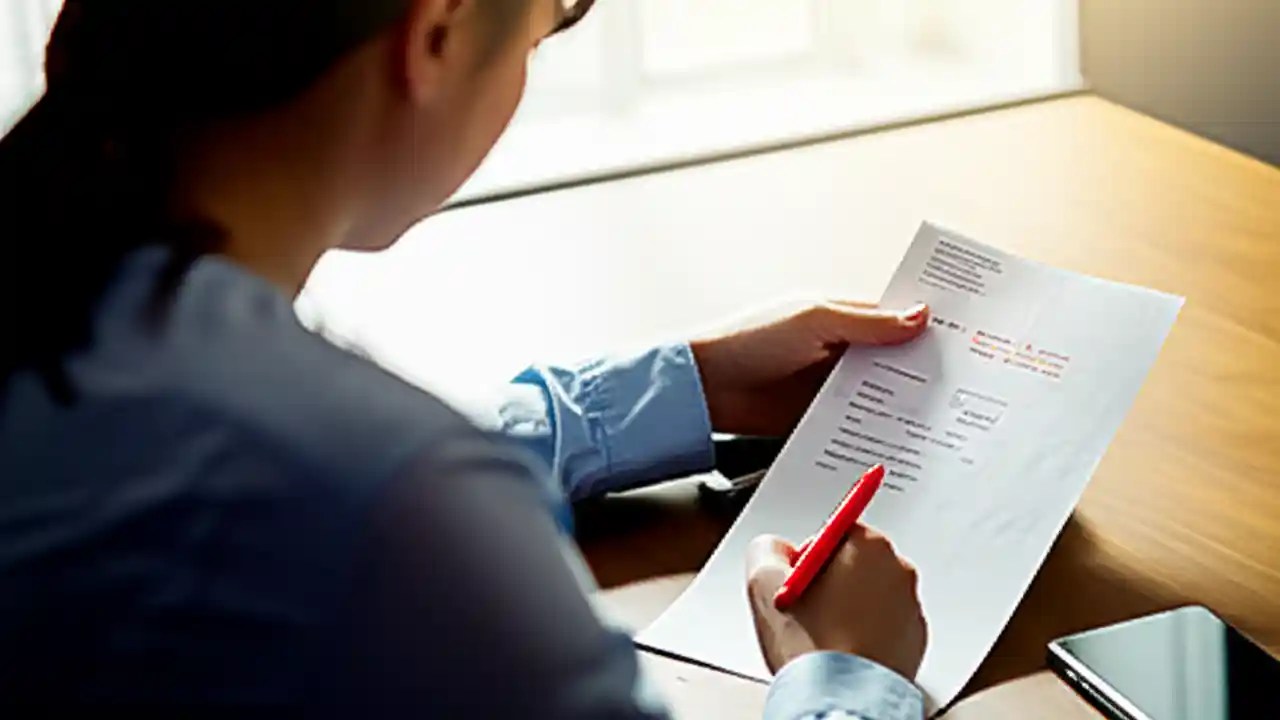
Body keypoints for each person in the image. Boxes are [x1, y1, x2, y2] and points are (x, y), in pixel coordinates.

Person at [0, 1, 931, 717]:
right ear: (436, 35)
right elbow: (366, 502)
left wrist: (685, 385)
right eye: (537, 38)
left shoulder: (70, 278)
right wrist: (845, 673)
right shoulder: (391, 500)